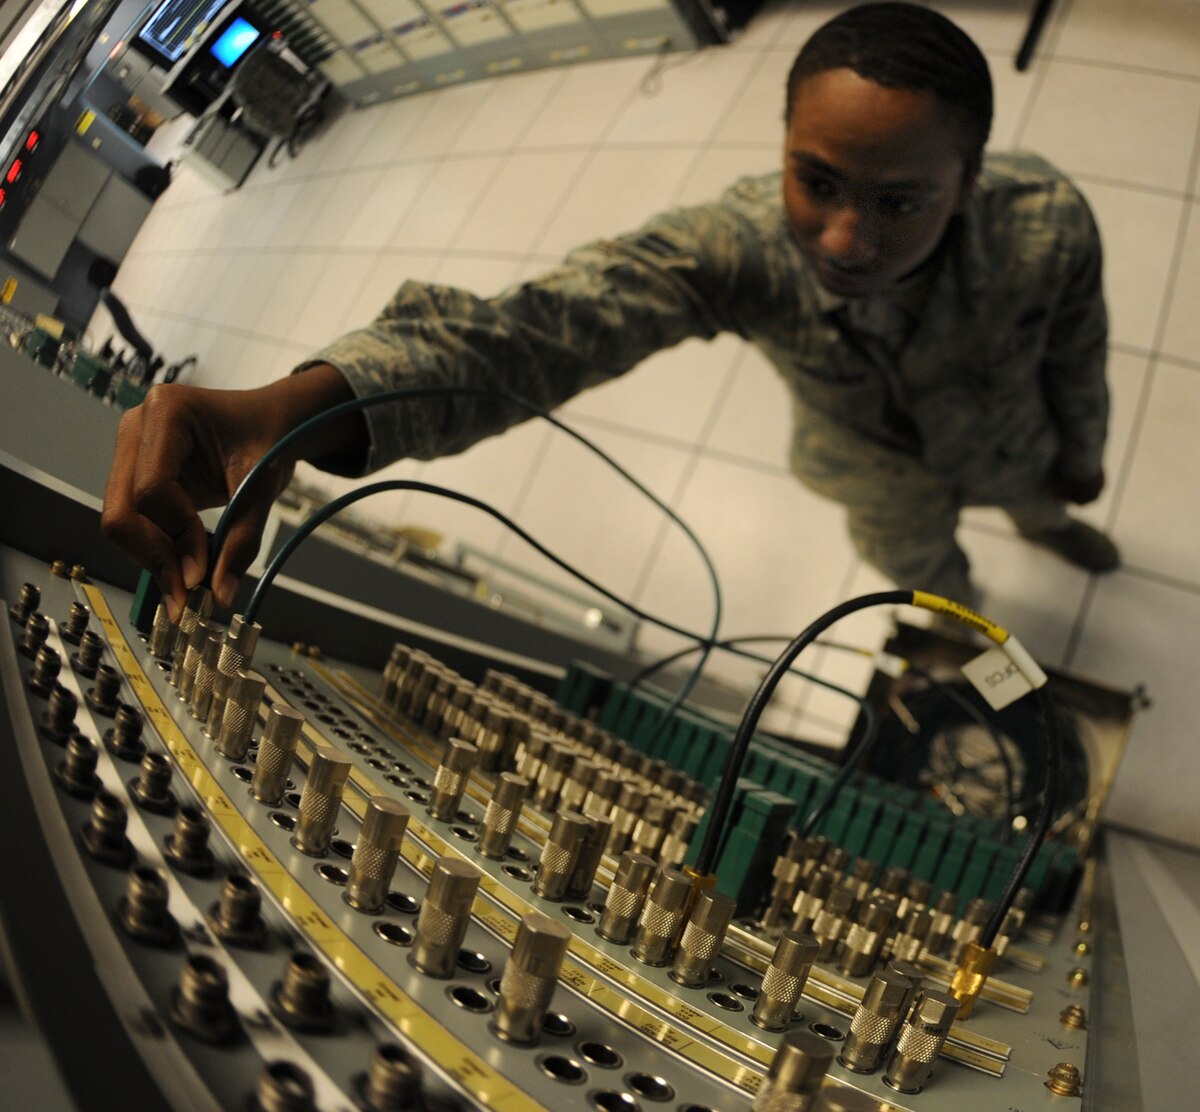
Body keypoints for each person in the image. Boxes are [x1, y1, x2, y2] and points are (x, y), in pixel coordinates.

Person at [103, 2, 1117, 622]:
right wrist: (307, 404)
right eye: (818, 182)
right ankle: (967, 615)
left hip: (1009, 438)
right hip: (872, 469)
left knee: (1046, 498)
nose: (848, 240)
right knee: (931, 578)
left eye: (902, 201)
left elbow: (1078, 352)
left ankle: (1051, 523)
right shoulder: (736, 245)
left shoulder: (1047, 226)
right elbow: (535, 332)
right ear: (782, 151)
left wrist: (1081, 457)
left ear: (971, 180)